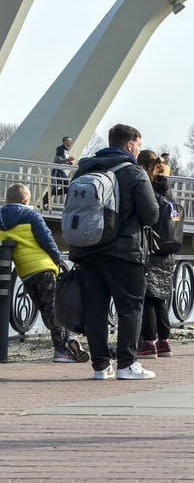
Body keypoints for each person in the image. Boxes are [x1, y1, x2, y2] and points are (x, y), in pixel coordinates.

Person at [70, 123, 159, 380]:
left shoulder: (84, 169)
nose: (139, 150)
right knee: (130, 307)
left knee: (95, 308)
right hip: (124, 251)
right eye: (139, 145)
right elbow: (150, 214)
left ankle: (100, 366)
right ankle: (126, 364)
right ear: (130, 144)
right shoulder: (133, 172)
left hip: (87, 249)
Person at [0, 184, 89, 364]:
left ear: (6, 200)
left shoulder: (1, 218)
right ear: (26, 200)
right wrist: (58, 260)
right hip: (44, 268)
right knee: (55, 309)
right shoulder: (31, 215)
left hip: (25, 273)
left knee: (45, 310)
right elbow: (46, 239)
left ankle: (68, 339)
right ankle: (62, 348)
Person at [135, 150, 177, 359]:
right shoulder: (169, 191)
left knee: (148, 297)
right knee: (161, 297)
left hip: (149, 248)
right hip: (168, 250)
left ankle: (148, 342)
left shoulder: (147, 188)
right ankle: (164, 342)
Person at [42, 136, 75, 210]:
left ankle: (44, 201)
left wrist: (69, 162)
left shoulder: (66, 150)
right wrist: (67, 159)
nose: (71, 142)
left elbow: (63, 160)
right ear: (65, 141)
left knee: (66, 188)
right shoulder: (60, 149)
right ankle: (43, 203)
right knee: (56, 188)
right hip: (57, 171)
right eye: (69, 141)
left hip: (61, 171)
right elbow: (57, 160)